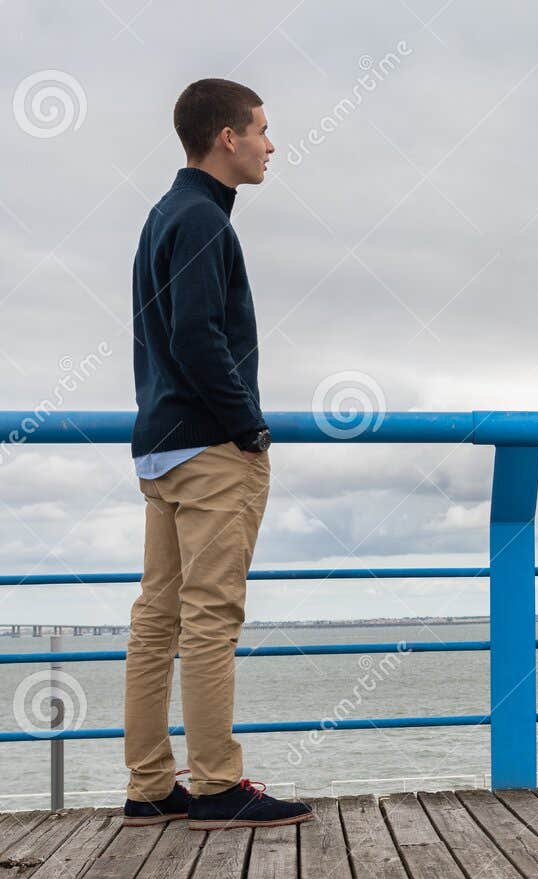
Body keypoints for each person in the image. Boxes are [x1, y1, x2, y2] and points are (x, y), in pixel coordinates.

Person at [121, 79, 312, 829]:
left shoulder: (165, 215)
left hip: (161, 445)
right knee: (209, 618)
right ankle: (216, 786)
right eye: (262, 130)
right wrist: (249, 425)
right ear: (226, 137)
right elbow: (196, 336)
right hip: (207, 448)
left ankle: (148, 784)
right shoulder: (203, 221)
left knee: (157, 617)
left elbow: (167, 339)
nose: (271, 145)